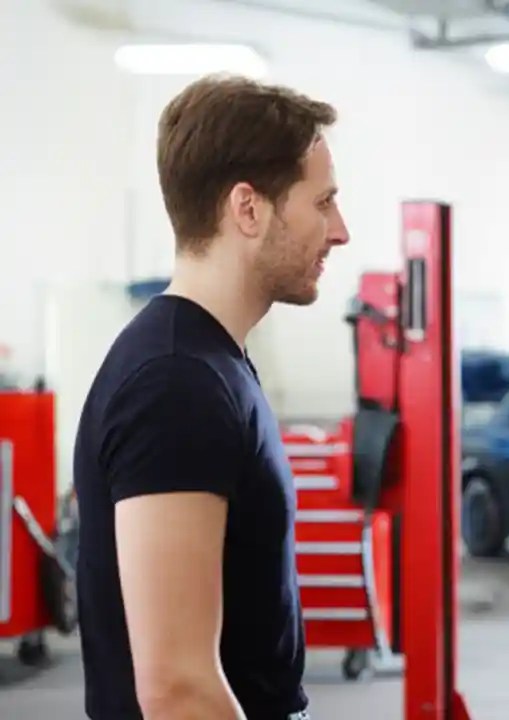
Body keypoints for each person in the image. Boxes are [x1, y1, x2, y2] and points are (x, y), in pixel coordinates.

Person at [73, 75, 349, 720]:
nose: (339, 231)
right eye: (323, 202)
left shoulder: (209, 364)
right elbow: (178, 688)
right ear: (248, 209)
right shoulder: (176, 386)